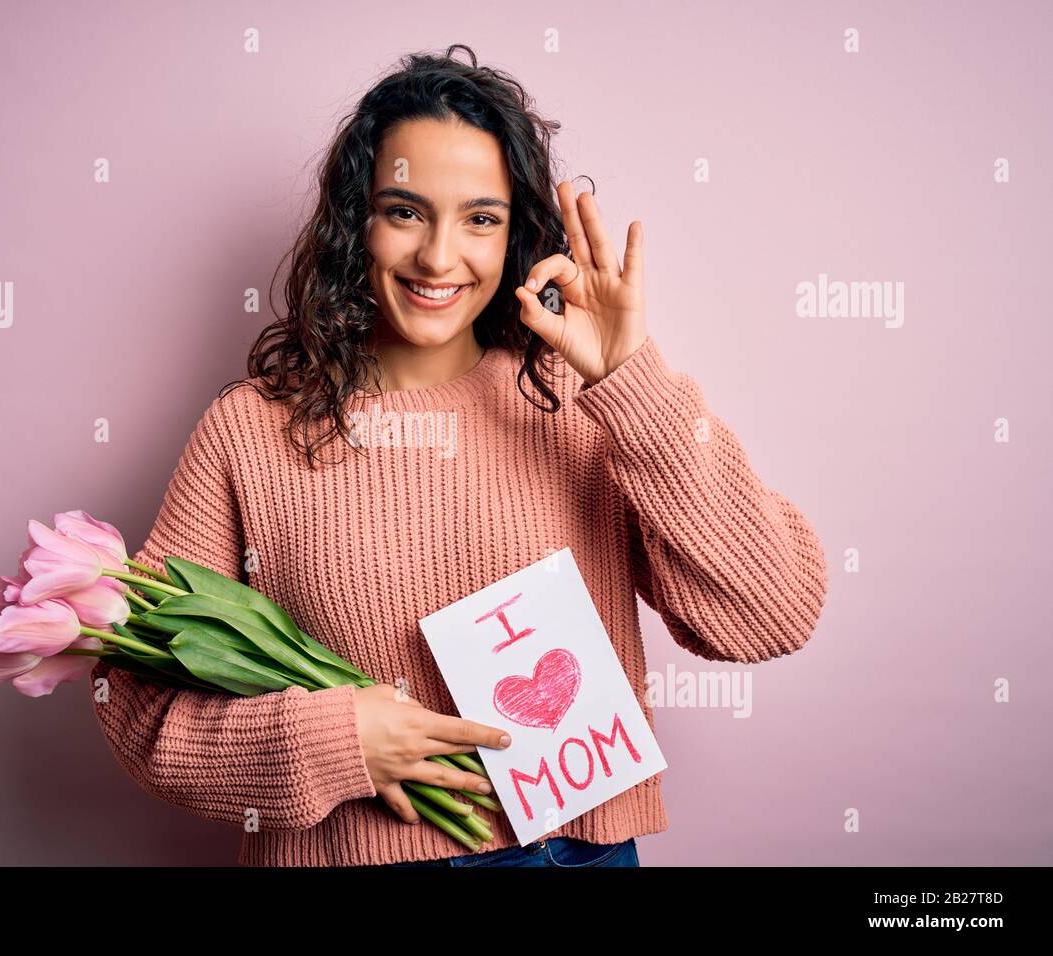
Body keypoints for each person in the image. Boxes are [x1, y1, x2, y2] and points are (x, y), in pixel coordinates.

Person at [89, 44, 828, 868]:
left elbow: (773, 615)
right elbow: (135, 704)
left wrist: (631, 378)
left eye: (480, 218)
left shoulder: (577, 400)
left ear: (515, 236)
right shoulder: (248, 433)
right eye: (405, 210)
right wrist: (332, 740)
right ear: (354, 221)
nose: (439, 259)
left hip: (573, 856)